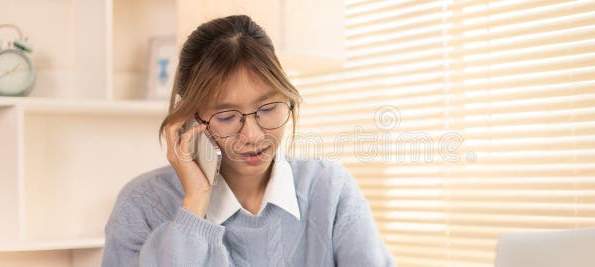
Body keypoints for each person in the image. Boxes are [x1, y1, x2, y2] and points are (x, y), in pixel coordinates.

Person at [102, 15, 394, 266]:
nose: (253, 136)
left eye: (268, 109)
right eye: (227, 117)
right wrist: (195, 204)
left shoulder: (331, 191)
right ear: (189, 119)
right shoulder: (142, 205)